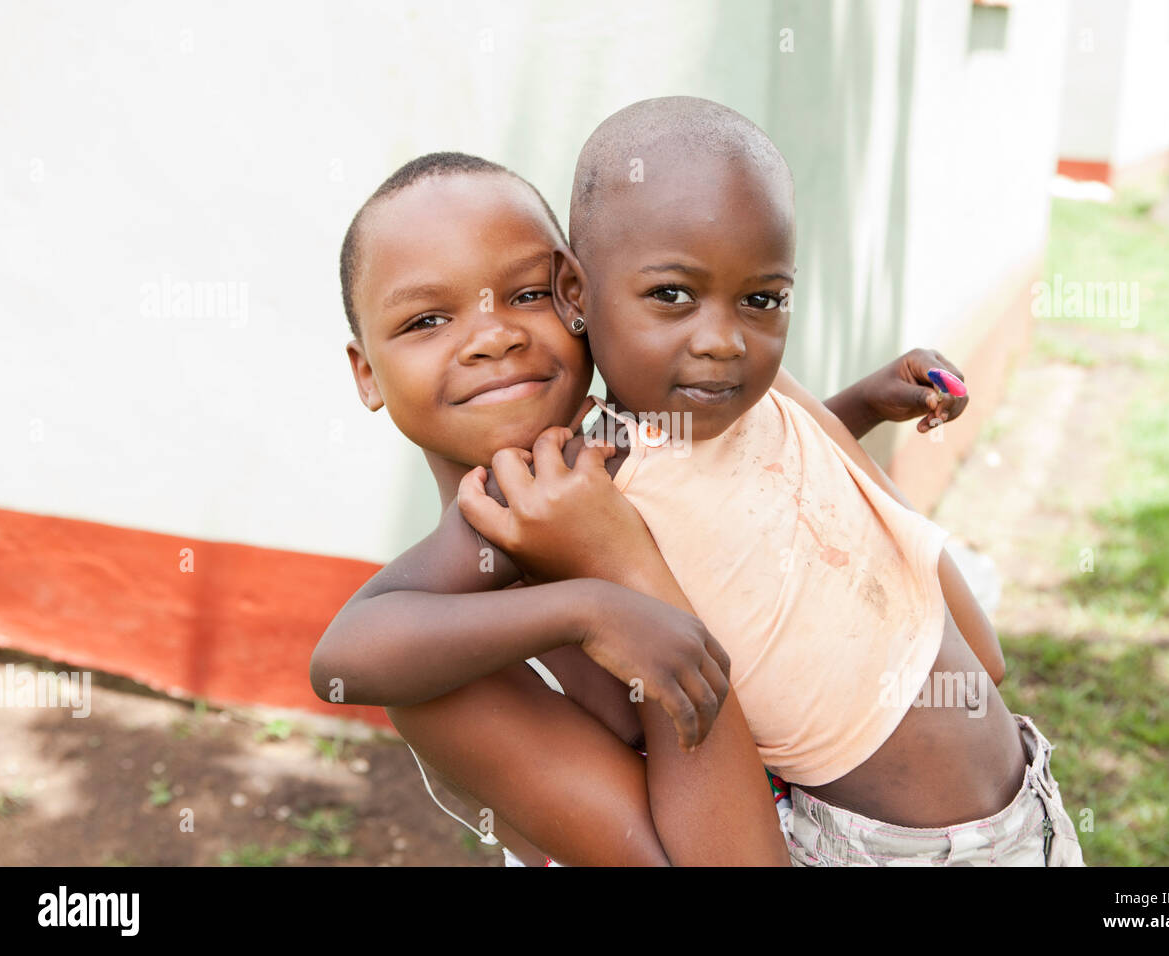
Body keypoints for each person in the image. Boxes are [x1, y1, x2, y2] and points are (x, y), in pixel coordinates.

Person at [459, 96, 1085, 867]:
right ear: (577, 292)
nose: (723, 342)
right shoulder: (589, 484)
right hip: (888, 852)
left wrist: (860, 403)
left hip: (1031, 802)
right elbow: (372, 644)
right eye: (672, 295)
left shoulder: (752, 399)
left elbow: (765, 488)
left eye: (762, 299)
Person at [312, 150, 969, 865]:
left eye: (528, 294)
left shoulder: (639, 436)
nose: (492, 336)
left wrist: (856, 409)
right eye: (427, 319)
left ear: (578, 297)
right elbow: (344, 654)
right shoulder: (443, 673)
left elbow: (747, 510)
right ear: (367, 372)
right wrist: (600, 604)